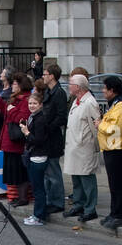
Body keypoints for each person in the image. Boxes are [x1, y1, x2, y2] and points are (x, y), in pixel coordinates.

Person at [62, 73, 102, 222]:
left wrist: (96, 146)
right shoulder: (76, 101)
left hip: (85, 147)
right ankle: (78, 205)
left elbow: (96, 126)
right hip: (74, 147)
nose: (69, 86)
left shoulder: (90, 102)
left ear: (78, 87)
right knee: (76, 178)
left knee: (86, 178)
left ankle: (90, 208)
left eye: (71, 83)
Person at [98, 75, 122, 229]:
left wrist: (100, 125)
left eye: (105, 88)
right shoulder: (115, 104)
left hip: (117, 149)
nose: (103, 91)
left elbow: (115, 129)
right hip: (110, 148)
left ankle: (119, 215)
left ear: (112, 90)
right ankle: (114, 213)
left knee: (117, 184)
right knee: (113, 184)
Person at [17, 85, 54, 224]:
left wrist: (26, 132)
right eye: (30, 103)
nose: (31, 106)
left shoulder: (40, 119)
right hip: (34, 155)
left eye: (34, 103)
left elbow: (38, 140)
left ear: (40, 104)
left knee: (38, 188)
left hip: (38, 156)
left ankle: (39, 216)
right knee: (37, 187)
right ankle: (37, 214)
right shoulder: (33, 117)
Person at [0, 74, 33, 204]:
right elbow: (5, 111)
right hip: (9, 140)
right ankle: (18, 197)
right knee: (14, 171)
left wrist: (12, 110)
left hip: (17, 141)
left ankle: (23, 198)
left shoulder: (25, 100)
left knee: (20, 172)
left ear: (20, 85)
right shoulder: (15, 99)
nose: (12, 86)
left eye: (14, 84)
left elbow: (23, 118)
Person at [40, 63, 68, 216]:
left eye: (45, 74)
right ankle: (51, 200)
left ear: (52, 76)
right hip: (46, 137)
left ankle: (57, 202)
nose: (43, 77)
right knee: (47, 173)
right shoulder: (48, 92)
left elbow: (61, 117)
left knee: (53, 172)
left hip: (53, 137)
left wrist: (48, 127)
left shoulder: (59, 93)